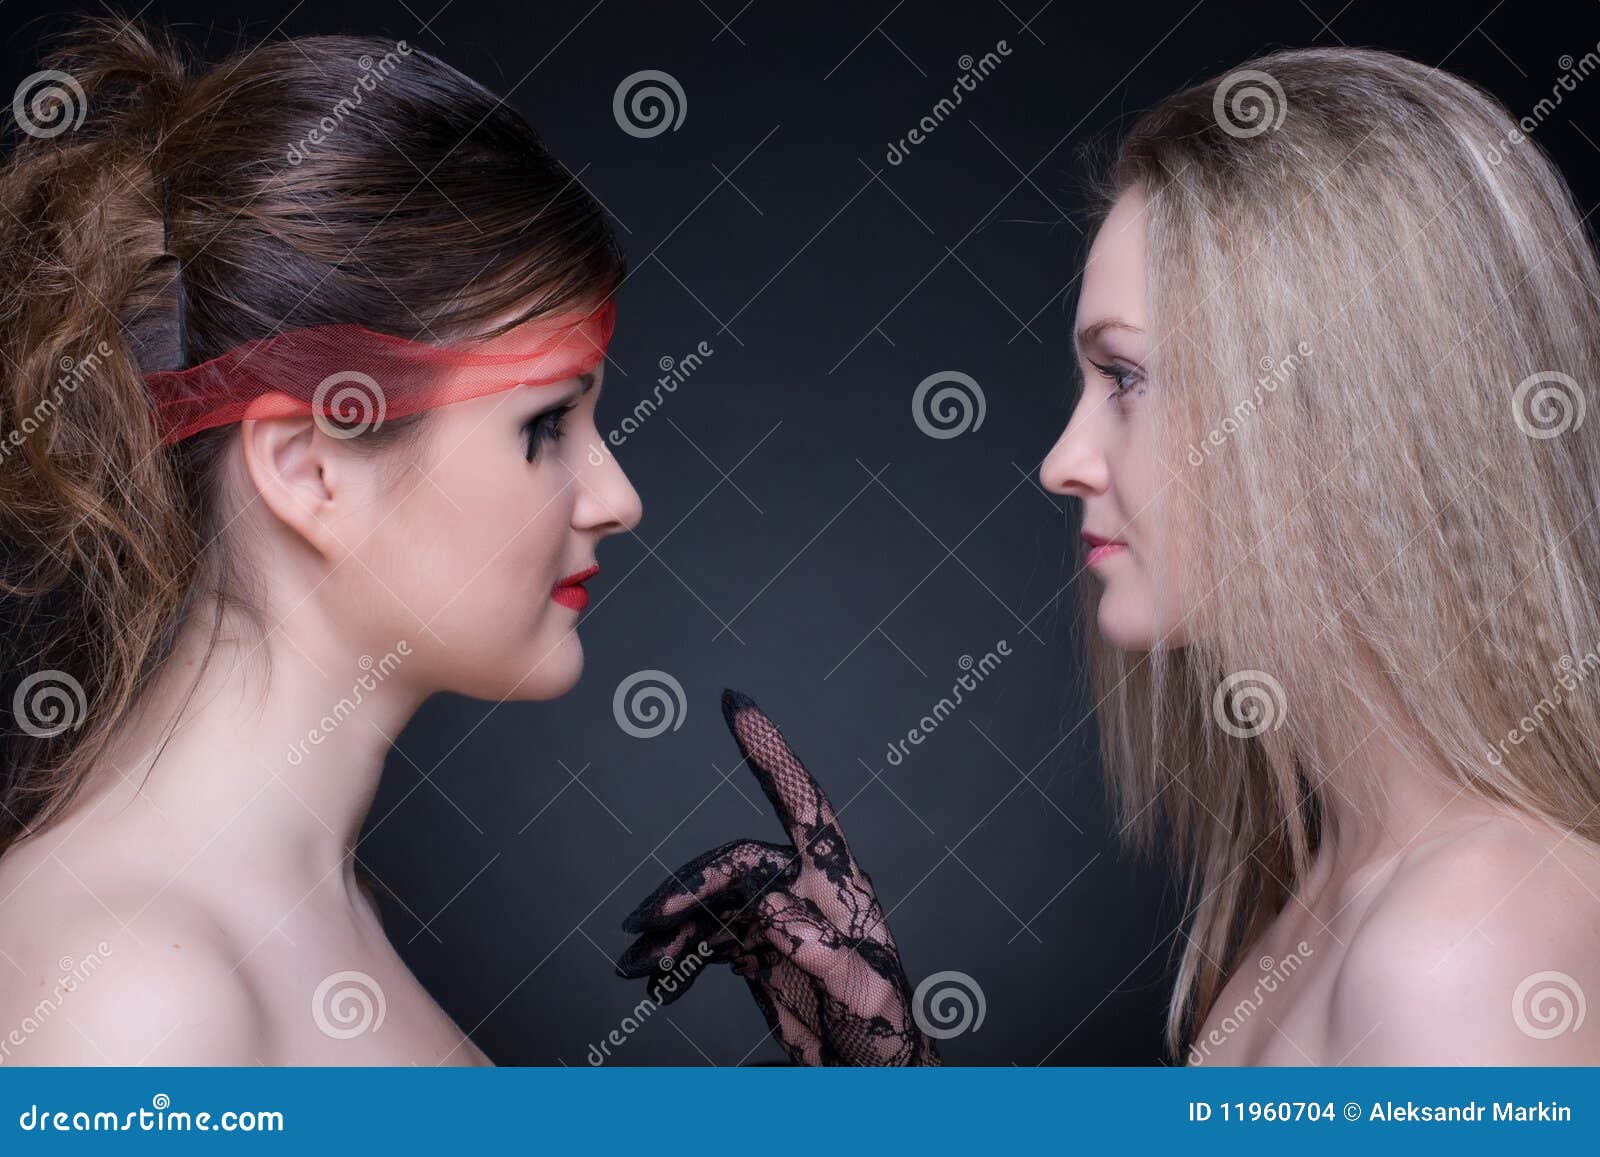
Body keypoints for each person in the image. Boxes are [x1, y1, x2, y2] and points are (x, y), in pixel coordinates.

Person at [637, 47, 1600, 1066]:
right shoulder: (1348, 893)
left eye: (1126, 376)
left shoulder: (1457, 947)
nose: (1063, 459)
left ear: (1335, 412)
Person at [0, 16, 640, 1064]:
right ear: (310, 468)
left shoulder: (295, 917)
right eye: (544, 426)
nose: (617, 497)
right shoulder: (134, 997)